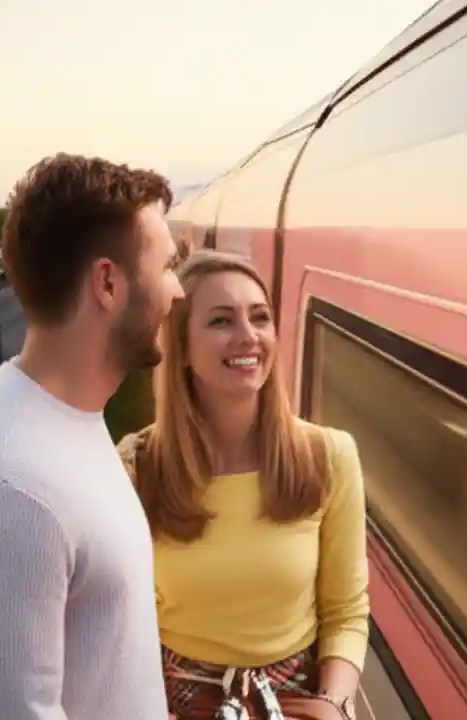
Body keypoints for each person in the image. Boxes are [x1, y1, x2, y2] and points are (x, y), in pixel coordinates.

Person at [0, 153, 186, 719]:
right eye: (168, 266)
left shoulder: (65, 424)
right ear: (107, 282)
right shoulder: (8, 490)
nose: (177, 291)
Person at [116, 251, 369, 720]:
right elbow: (121, 624)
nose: (249, 336)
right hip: (177, 705)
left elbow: (346, 610)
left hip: (296, 701)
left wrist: (334, 703)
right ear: (183, 349)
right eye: (221, 321)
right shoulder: (137, 465)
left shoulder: (330, 455)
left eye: (260, 318)